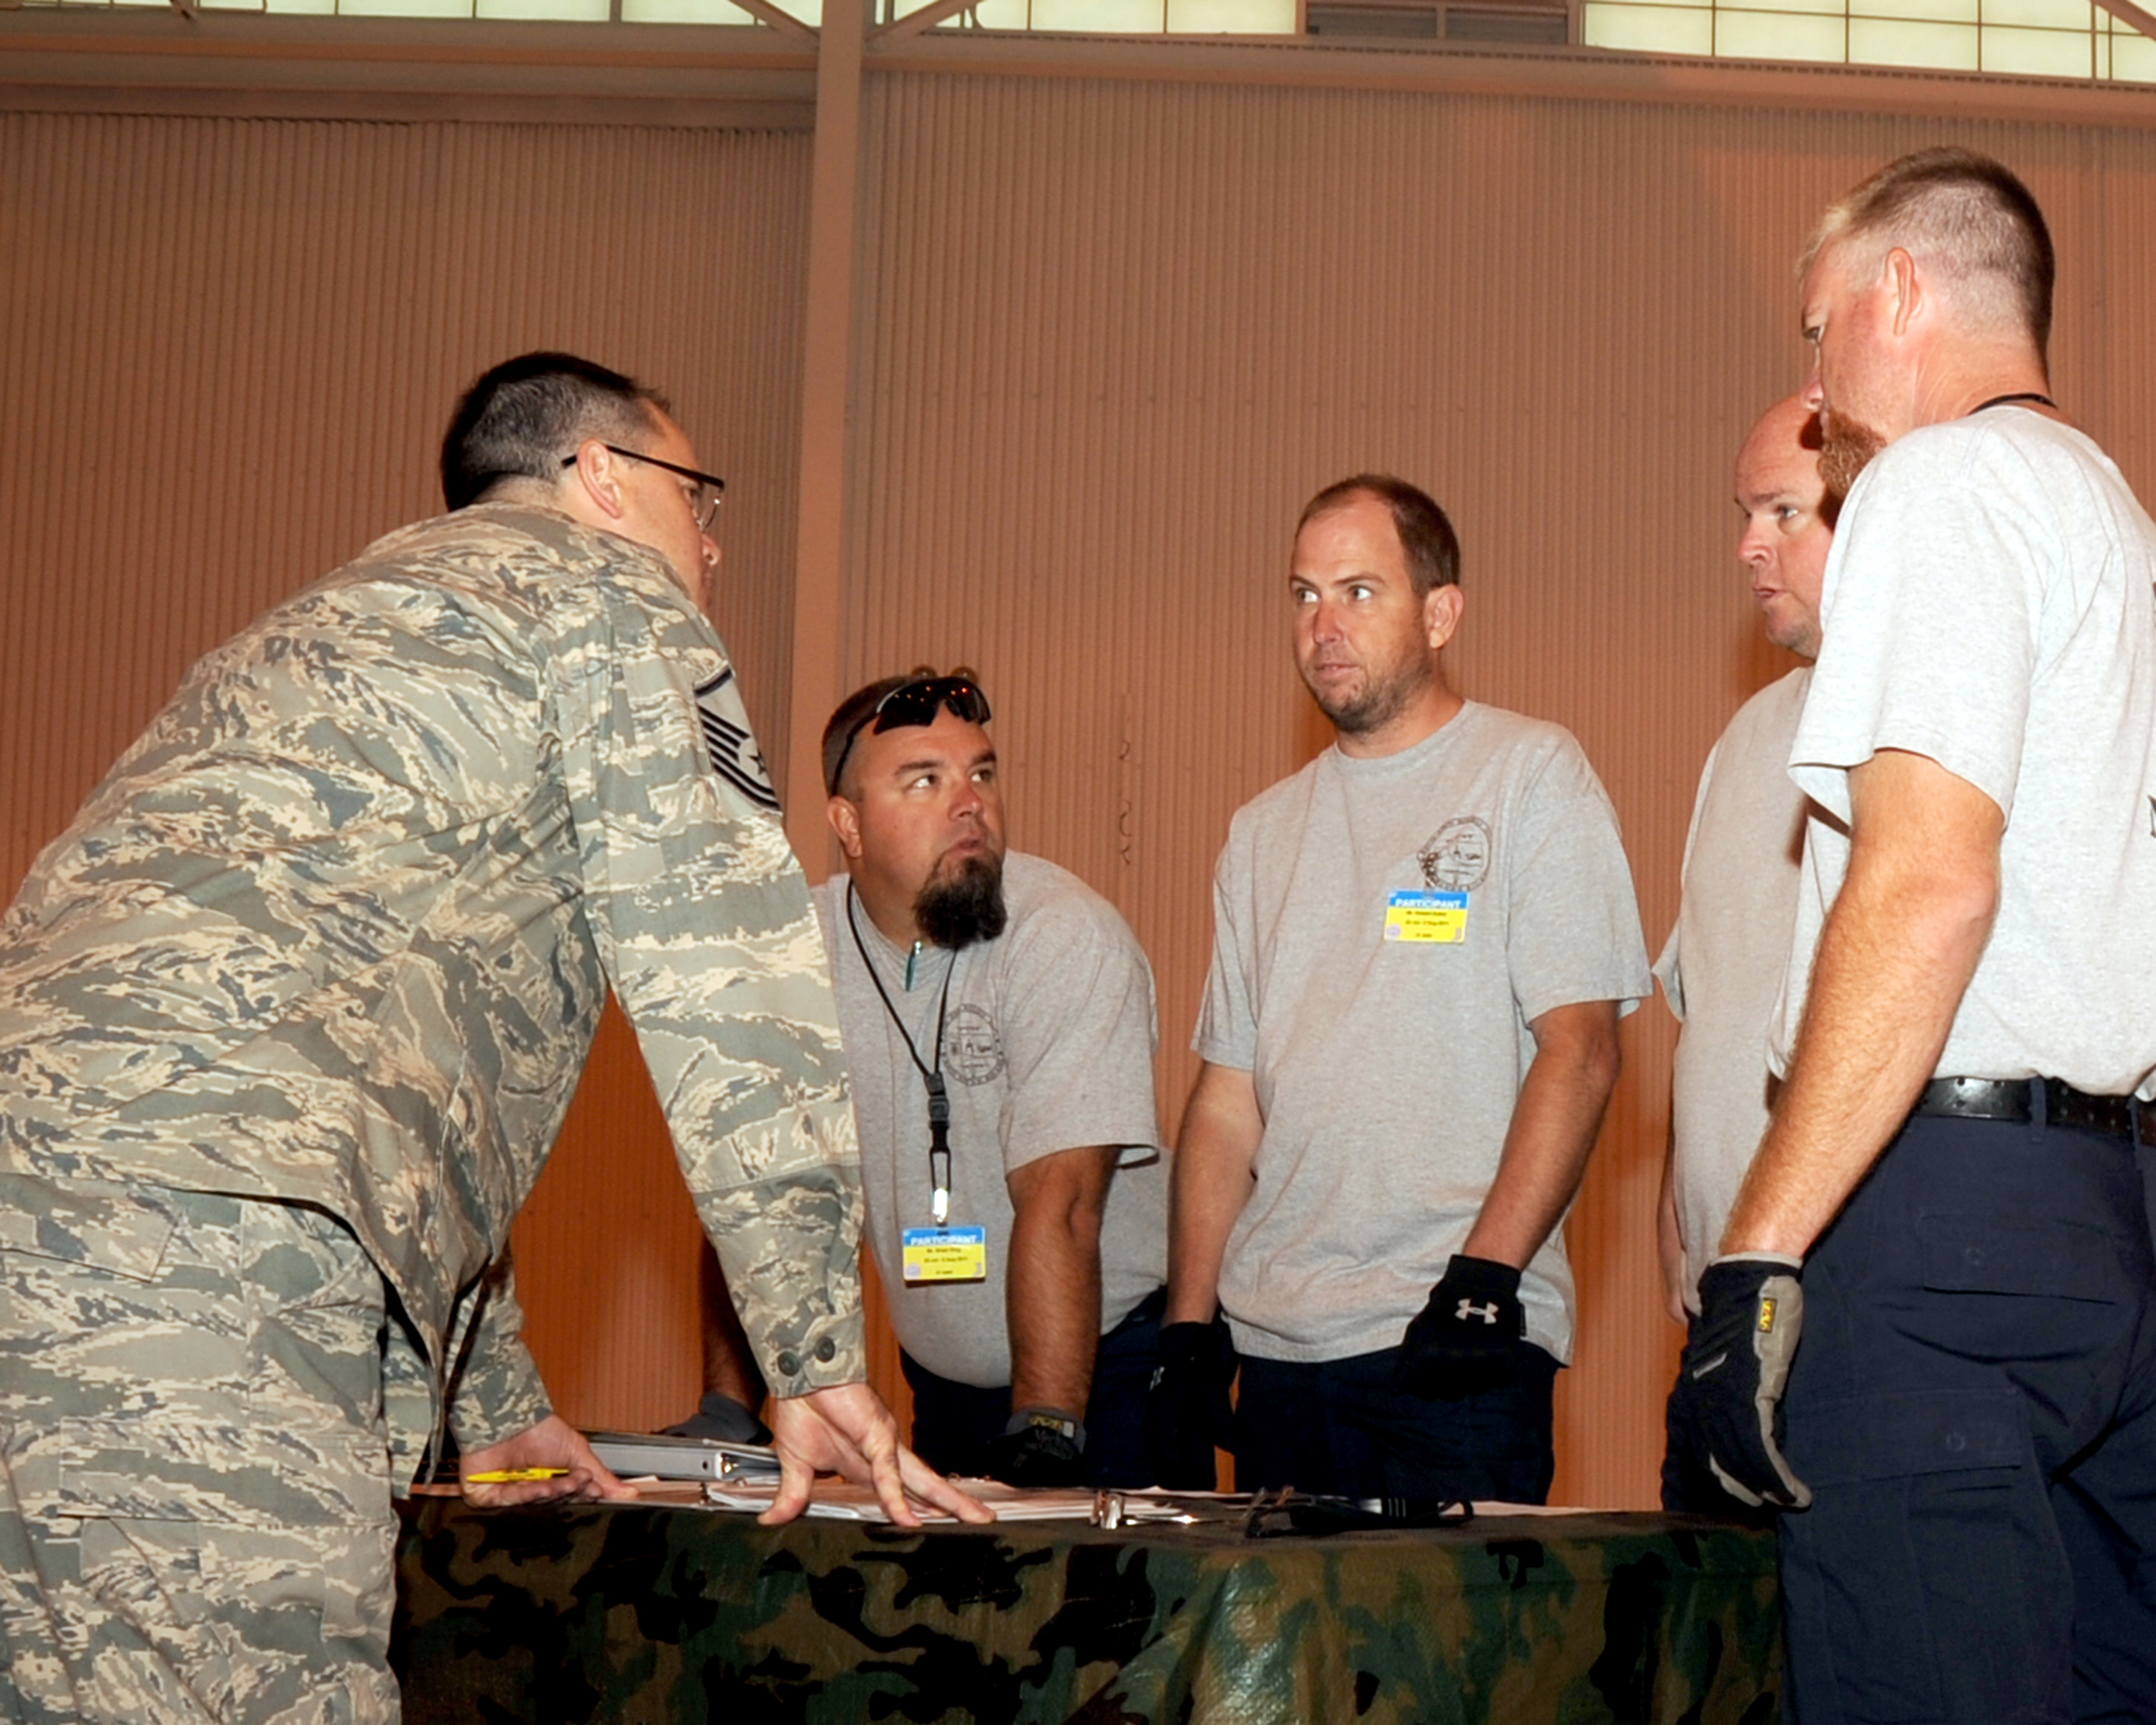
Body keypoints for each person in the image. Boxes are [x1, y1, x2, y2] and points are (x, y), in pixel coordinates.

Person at [0, 352, 985, 1725]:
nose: (710, 542)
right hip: (207, 1250)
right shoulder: (608, 597)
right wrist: (813, 1354)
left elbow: (376, 1054)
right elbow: (725, 980)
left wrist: (497, 1402)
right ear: (600, 476)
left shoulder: (302, 634)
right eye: (698, 497)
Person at [1674, 150, 2156, 1723]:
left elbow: (1929, 882)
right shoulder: (2112, 518)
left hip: (1940, 1229)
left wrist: (1760, 1248)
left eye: (1818, 337)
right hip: (2108, 1225)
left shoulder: (1938, 486)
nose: (1816, 395)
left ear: (1899, 295)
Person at [1151, 474, 1650, 1501]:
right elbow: (1226, 1101)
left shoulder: (1528, 775)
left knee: (1453, 1667)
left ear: (1441, 611)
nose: (1324, 625)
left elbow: (1583, 1047)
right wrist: (1191, 1323)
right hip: (1279, 1357)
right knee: (1290, 1669)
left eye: (1358, 591)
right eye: (1303, 595)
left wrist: (1484, 1281)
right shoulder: (1260, 834)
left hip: (1454, 1347)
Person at [809, 668, 1168, 1486]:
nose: (968, 801)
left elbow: (1065, 1204)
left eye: (981, 773)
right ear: (848, 825)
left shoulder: (1064, 938)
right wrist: (733, 1409)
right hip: (941, 1389)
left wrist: (1046, 1428)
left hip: (1102, 1383)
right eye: (924, 781)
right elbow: (756, 1189)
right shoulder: (798, 953)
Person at [1653, 395, 1834, 1517]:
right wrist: (1680, 1215)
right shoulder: (1746, 735)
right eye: (1744, 511)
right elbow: (1704, 1004)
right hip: (1719, 1312)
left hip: (1836, 1308)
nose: (1746, 544)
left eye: (1783, 510)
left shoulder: (1926, 724)